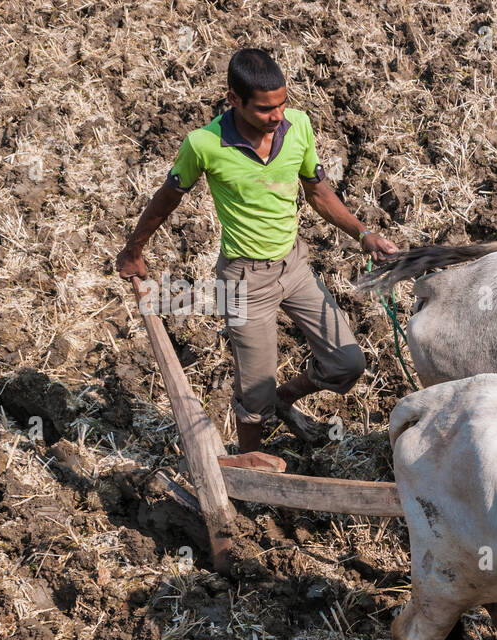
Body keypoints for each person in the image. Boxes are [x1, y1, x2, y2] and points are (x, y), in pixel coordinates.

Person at [115, 48, 398, 458]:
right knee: (254, 393)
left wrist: (363, 233)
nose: (277, 115)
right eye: (266, 109)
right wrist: (133, 250)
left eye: (282, 104)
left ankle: (283, 399)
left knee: (348, 363)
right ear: (234, 99)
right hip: (244, 281)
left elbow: (317, 193)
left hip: (295, 265)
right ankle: (247, 470)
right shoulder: (204, 144)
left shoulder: (298, 126)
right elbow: (166, 199)